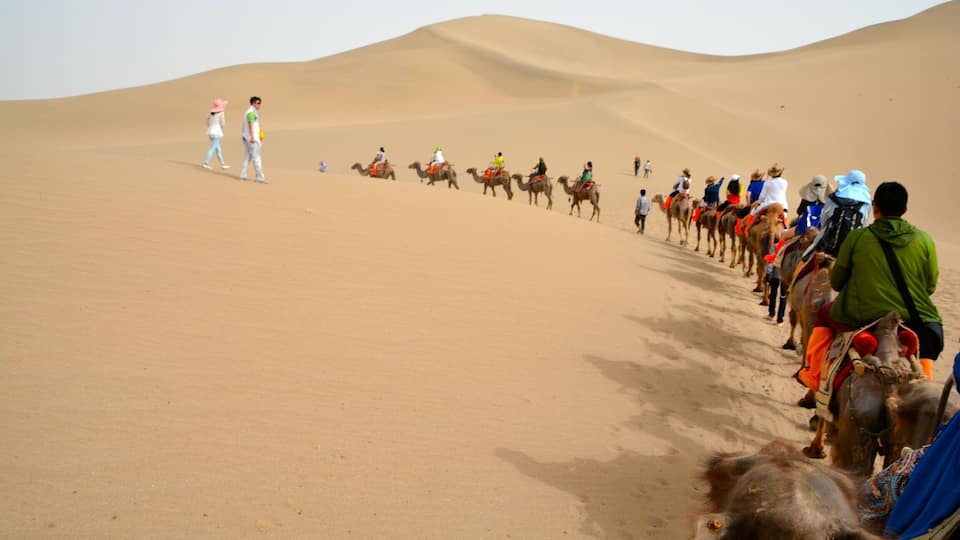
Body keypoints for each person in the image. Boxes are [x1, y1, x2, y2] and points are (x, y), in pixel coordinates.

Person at [797, 181, 942, 393]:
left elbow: (836, 281)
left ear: (874, 208)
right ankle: (925, 388)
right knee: (924, 343)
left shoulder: (858, 237)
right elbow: (930, 285)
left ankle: (813, 374)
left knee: (824, 314)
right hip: (912, 317)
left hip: (861, 314)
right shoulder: (925, 240)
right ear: (905, 210)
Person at [801, 170, 872, 261]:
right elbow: (864, 223)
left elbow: (824, 218)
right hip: (854, 244)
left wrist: (824, 229)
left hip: (830, 242)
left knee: (806, 256)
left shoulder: (835, 196)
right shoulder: (866, 202)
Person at [239, 96, 267, 183]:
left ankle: (243, 175)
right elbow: (250, 124)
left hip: (247, 137)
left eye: (260, 103)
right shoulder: (251, 112)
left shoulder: (250, 111)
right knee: (257, 157)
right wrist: (252, 136)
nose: (259, 105)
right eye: (258, 103)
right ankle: (260, 177)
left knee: (247, 156)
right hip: (251, 139)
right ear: (253, 103)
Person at [202, 98, 230, 170]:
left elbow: (206, 120)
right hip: (217, 132)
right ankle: (206, 163)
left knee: (218, 149)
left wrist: (210, 126)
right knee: (213, 148)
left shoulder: (210, 113)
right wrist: (220, 127)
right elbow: (223, 123)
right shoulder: (221, 113)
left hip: (210, 132)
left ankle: (223, 164)